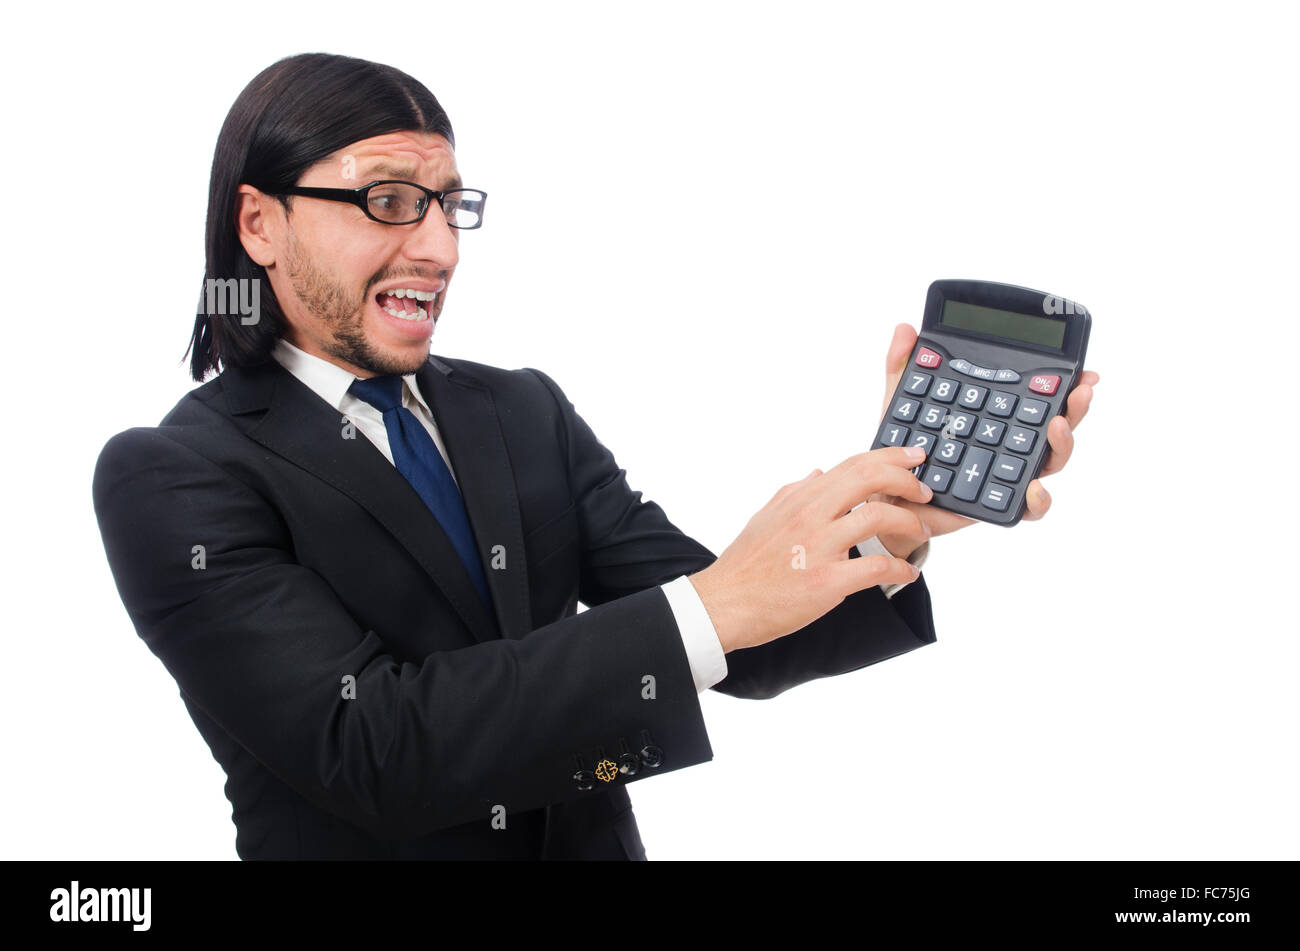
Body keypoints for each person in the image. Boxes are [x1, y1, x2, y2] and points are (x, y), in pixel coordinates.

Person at [91, 53, 1097, 860]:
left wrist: (886, 518)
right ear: (260, 224)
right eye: (390, 201)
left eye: (450, 204)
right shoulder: (172, 476)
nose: (439, 248)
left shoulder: (518, 409)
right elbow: (373, 751)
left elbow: (744, 643)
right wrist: (717, 602)